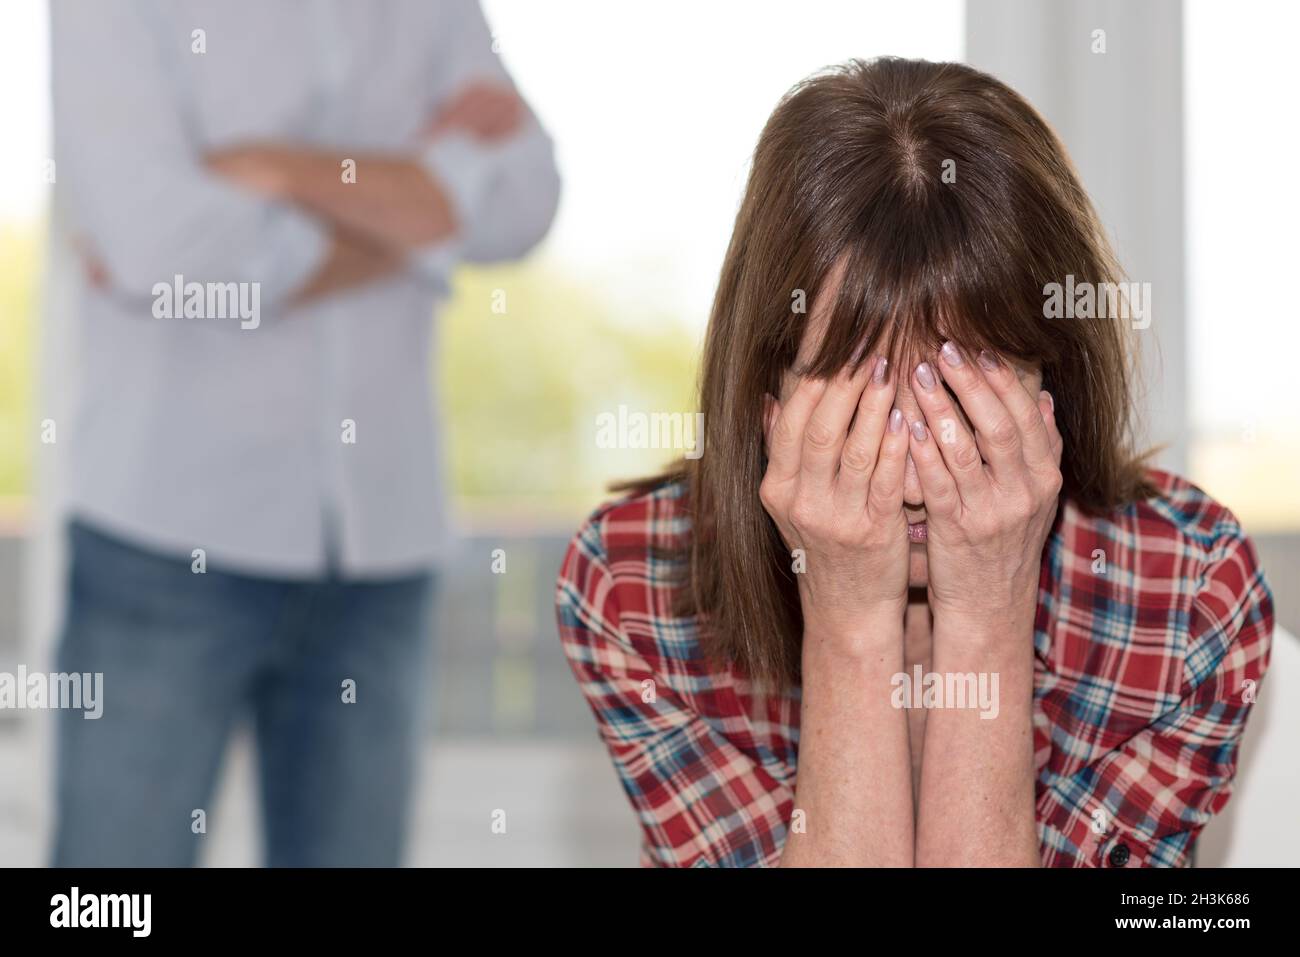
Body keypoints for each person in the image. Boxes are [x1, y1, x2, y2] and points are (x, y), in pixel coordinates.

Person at [555, 57, 1272, 867]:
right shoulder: (633, 587)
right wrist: (851, 629)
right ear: (766, 402)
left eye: (962, 403)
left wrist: (988, 617)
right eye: (864, 412)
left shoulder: (1188, 595)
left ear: (1055, 394)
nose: (922, 472)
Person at [49, 0, 559, 866]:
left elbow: (526, 197)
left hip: (380, 552)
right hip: (163, 543)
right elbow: (157, 246)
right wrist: (422, 199)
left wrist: (273, 171)